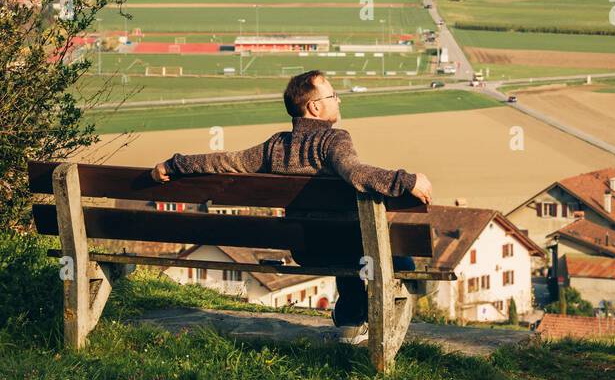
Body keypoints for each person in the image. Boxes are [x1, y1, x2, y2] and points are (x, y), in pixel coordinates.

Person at [151, 69, 432, 344]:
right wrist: (406, 180)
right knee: (397, 259)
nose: (339, 100)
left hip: (305, 250)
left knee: (342, 240)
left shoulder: (276, 146)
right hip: (348, 248)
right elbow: (356, 174)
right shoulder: (334, 139)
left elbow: (225, 161)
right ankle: (363, 321)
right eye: (333, 95)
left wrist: (174, 165)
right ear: (314, 107)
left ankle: (350, 320)